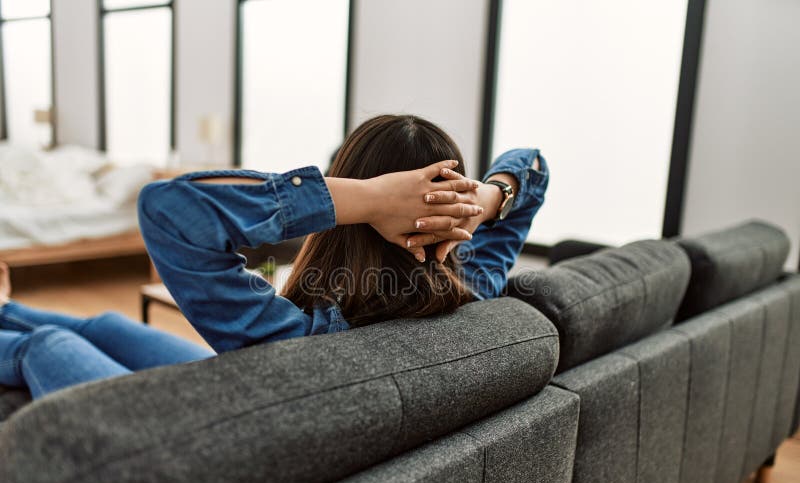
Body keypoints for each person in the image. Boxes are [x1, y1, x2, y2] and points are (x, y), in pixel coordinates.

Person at [1, 114, 548, 398]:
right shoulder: (478, 286)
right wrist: (491, 196)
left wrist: (374, 197)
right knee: (105, 324)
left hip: (215, 425)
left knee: (47, 345)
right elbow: (533, 166)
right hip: (249, 399)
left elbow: (170, 209)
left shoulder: (298, 342)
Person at [0, 262, 213, 399]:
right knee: (110, 326)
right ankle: (5, 309)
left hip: (182, 430)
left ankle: (4, 310)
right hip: (235, 388)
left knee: (47, 346)